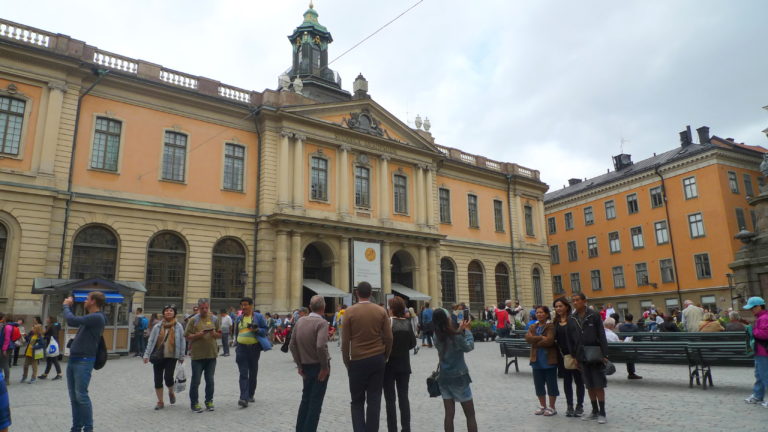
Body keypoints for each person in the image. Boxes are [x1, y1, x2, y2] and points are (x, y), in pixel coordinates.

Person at [341, 282, 392, 432]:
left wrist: (347, 361)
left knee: (357, 401)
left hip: (356, 360)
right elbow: (389, 338)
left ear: (357, 293)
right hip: (377, 359)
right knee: (374, 399)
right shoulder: (381, 311)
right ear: (371, 294)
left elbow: (345, 341)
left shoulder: (349, 312)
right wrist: (386, 355)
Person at [63, 291, 107, 432]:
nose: (85, 301)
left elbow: (72, 320)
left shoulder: (97, 317)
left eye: (87, 299)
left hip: (84, 361)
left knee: (81, 396)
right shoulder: (90, 317)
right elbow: (72, 321)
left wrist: (66, 306)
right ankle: (76, 427)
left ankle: (88, 428)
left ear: (93, 301)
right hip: (74, 359)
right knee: (74, 397)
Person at [290, 295, 331, 432]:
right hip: (319, 367)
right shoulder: (322, 323)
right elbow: (320, 346)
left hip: (305, 366)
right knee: (315, 403)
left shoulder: (300, 321)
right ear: (324, 307)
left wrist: (299, 365)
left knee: (305, 399)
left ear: (309, 307)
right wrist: (324, 367)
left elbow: (292, 345)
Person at [433, 308, 477, 432]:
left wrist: (459, 330)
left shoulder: (436, 335)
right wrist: (467, 331)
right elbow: (469, 347)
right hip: (459, 376)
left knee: (449, 414)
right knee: (470, 414)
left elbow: (449, 336)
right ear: (447, 319)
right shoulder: (455, 337)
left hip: (444, 377)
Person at [571, 293, 608, 424]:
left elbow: (602, 334)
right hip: (581, 354)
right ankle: (594, 410)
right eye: (573, 300)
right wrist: (574, 356)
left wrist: (605, 354)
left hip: (595, 353)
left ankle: (602, 412)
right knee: (589, 385)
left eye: (577, 300)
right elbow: (573, 338)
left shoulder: (594, 315)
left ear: (584, 301)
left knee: (598, 384)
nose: (575, 302)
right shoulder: (573, 317)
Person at [143, 304, 185, 410]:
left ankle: (171, 392)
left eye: (171, 310)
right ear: (163, 313)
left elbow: (182, 341)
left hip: (171, 355)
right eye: (166, 310)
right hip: (158, 355)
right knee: (157, 379)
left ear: (174, 313)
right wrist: (146, 354)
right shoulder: (157, 326)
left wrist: (181, 355)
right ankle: (160, 401)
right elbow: (151, 341)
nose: (168, 312)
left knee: (168, 378)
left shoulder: (178, 326)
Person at [384, 296, 416, 432]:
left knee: (390, 400)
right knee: (404, 398)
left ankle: (392, 429)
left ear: (391, 309)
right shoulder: (407, 323)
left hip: (388, 366)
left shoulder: (388, 322)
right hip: (404, 365)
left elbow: (384, 342)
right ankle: (406, 428)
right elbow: (413, 343)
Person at [184, 298, 221, 413]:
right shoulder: (193, 320)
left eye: (206, 308)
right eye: (202, 308)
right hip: (197, 356)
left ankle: (209, 401)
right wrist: (197, 335)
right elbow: (186, 336)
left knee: (210, 380)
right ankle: (194, 403)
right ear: (198, 308)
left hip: (211, 354)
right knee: (196, 381)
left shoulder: (214, 319)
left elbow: (220, 334)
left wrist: (214, 334)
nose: (205, 310)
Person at [234, 297, 268, 408]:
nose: (244, 307)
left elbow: (265, 330)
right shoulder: (239, 318)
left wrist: (257, 330)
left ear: (251, 305)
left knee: (253, 373)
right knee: (243, 373)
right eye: (242, 305)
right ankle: (243, 397)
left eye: (246, 305)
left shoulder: (258, 317)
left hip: (254, 348)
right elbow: (236, 332)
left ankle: (250, 394)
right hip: (241, 348)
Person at [552, 297, 584, 417]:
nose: (558, 308)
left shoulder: (574, 319)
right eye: (556, 306)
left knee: (579, 381)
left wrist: (577, 356)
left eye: (560, 306)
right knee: (567, 381)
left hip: (575, 355)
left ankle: (579, 405)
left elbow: (578, 339)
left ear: (566, 307)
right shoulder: (555, 322)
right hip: (562, 356)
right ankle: (569, 406)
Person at [525, 306, 559, 416]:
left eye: (541, 312)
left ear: (546, 314)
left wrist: (535, 340)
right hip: (536, 359)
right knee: (538, 384)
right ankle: (543, 406)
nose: (539, 314)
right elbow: (527, 339)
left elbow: (549, 341)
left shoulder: (550, 326)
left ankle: (552, 407)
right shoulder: (533, 326)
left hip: (549, 360)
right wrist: (540, 338)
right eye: (537, 312)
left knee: (551, 384)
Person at [743, 297, 768, 406]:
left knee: (765, 375)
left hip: (764, 351)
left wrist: (753, 330)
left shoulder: (764, 318)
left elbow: (765, 334)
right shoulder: (761, 317)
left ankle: (758, 396)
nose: (751, 310)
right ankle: (758, 395)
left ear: (759, 306)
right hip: (760, 351)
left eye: (752, 308)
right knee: (759, 374)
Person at [616, 314, 643, 379]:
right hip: (632, 347)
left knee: (628, 355)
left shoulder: (621, 326)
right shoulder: (635, 326)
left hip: (623, 347)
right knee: (630, 355)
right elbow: (637, 338)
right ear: (632, 319)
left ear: (625, 319)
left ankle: (631, 373)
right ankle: (631, 373)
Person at [38, 316, 62, 380]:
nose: (46, 319)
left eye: (47, 318)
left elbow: (53, 336)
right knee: (49, 359)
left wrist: (45, 336)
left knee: (54, 359)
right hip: (50, 344)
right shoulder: (50, 326)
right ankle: (45, 374)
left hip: (52, 344)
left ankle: (59, 374)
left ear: (51, 319)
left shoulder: (53, 326)